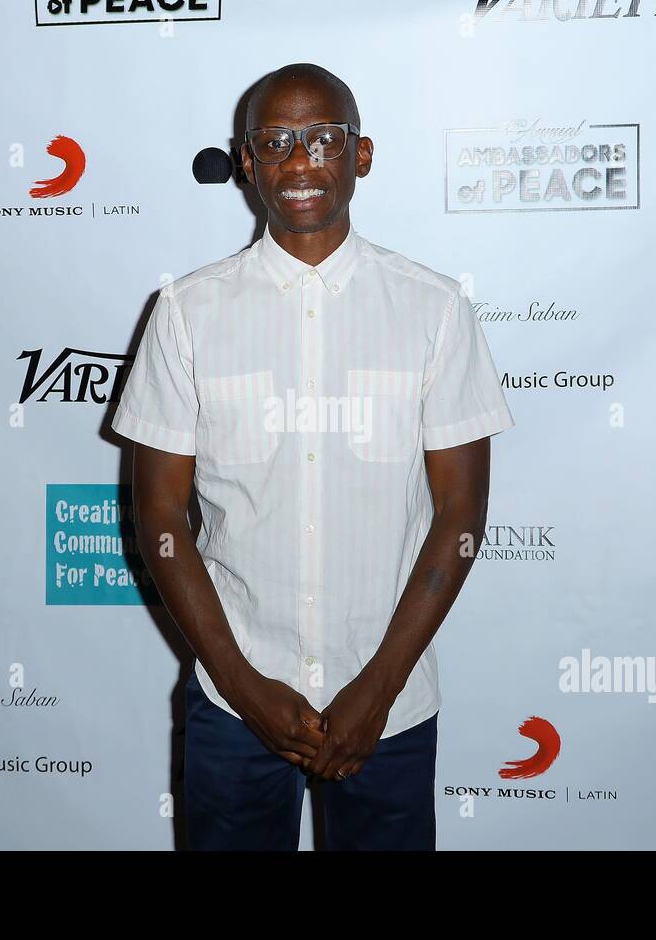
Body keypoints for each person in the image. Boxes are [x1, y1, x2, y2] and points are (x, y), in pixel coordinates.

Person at [111, 62, 514, 850]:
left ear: (360, 155)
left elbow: (462, 515)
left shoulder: (434, 309)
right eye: (279, 142)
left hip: (389, 708)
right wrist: (238, 682)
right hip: (235, 709)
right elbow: (158, 514)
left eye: (324, 138)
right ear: (248, 161)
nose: (302, 162)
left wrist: (378, 688)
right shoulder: (187, 313)